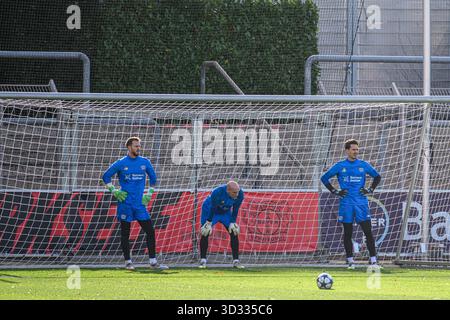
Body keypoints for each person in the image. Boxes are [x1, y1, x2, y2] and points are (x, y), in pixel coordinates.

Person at [102, 136, 168, 271]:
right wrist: (114, 190)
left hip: (139, 204)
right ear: (129, 147)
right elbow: (105, 176)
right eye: (136, 146)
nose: (138, 148)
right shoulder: (121, 163)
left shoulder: (145, 162)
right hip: (125, 203)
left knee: (150, 231)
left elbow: (154, 179)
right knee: (125, 233)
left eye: (139, 146)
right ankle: (128, 262)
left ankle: (153, 262)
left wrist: (149, 193)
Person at [321, 139, 381, 269]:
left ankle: (374, 261)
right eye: (353, 149)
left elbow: (377, 177)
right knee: (348, 233)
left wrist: (370, 190)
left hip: (361, 203)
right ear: (347, 150)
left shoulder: (363, 165)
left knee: (368, 231)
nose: (356, 152)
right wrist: (335, 191)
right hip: (346, 203)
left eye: (357, 149)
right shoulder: (340, 165)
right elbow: (324, 178)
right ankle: (350, 261)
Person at [199, 181, 245, 269]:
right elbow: (213, 208)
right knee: (205, 232)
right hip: (210, 210)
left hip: (225, 212)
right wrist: (208, 222)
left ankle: (236, 261)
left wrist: (232, 221)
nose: (237, 194)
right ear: (228, 190)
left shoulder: (240, 194)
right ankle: (203, 260)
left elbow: (236, 209)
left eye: (238, 191)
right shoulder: (217, 192)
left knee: (234, 232)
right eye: (234, 192)